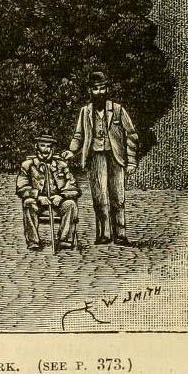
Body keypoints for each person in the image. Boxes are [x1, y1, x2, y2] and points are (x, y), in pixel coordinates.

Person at [68, 70, 139, 245]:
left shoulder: (117, 109)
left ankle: (120, 235)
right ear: (90, 91)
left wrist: (131, 160)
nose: (99, 92)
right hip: (95, 158)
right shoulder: (85, 112)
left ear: (107, 89)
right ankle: (104, 234)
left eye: (102, 88)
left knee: (118, 197)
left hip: (116, 158)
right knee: (99, 198)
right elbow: (79, 136)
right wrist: (71, 151)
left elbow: (131, 135)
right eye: (95, 89)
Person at [16, 133, 79, 251]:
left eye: (49, 146)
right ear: (36, 147)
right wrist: (38, 196)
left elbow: (73, 187)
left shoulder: (62, 165)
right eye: (42, 145)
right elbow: (22, 187)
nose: (46, 149)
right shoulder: (28, 165)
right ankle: (33, 241)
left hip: (57, 203)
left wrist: (61, 196)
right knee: (28, 203)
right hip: (38, 203)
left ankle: (65, 240)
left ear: (52, 148)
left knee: (70, 204)